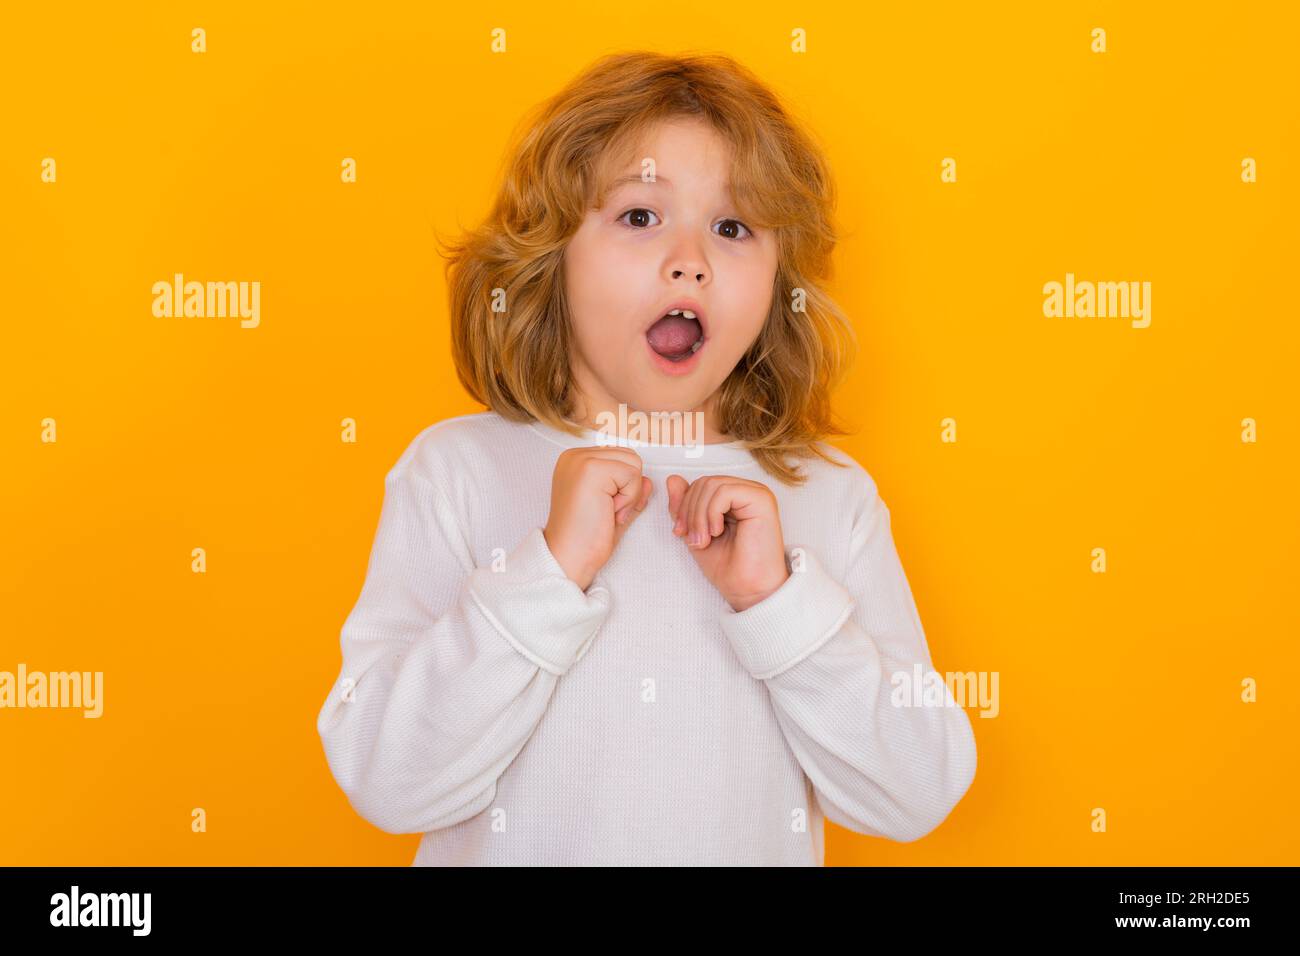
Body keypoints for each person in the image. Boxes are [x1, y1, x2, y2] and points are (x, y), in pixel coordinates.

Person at [316, 50, 976, 866]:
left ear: (778, 285)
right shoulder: (457, 472)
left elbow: (918, 791)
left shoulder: (826, 499)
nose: (690, 258)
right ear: (551, 255)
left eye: (733, 228)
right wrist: (547, 574)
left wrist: (776, 603)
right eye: (639, 216)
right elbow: (386, 780)